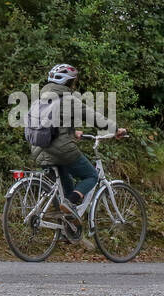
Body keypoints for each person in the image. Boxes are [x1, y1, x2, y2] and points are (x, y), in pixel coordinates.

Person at [26, 63, 126, 217]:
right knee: (92, 176)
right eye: (73, 81)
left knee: (67, 184)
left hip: (39, 150)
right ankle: (70, 202)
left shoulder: (40, 100)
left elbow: (51, 126)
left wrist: (71, 132)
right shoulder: (68, 100)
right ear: (68, 82)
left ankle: (67, 224)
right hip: (62, 151)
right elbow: (92, 116)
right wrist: (115, 129)